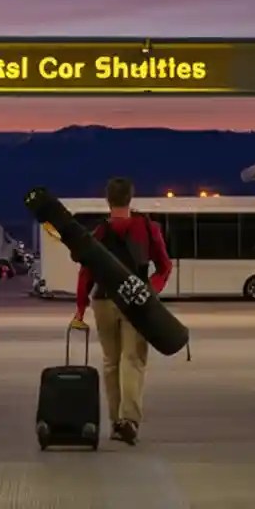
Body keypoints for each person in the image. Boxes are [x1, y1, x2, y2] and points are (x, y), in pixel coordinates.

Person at [71, 177, 172, 445]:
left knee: (110, 362)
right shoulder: (148, 228)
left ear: (108, 199)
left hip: (103, 300)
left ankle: (115, 422)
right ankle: (129, 420)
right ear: (130, 198)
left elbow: (86, 273)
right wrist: (151, 290)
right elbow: (164, 266)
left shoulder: (99, 233)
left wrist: (80, 309)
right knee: (133, 360)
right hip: (135, 302)